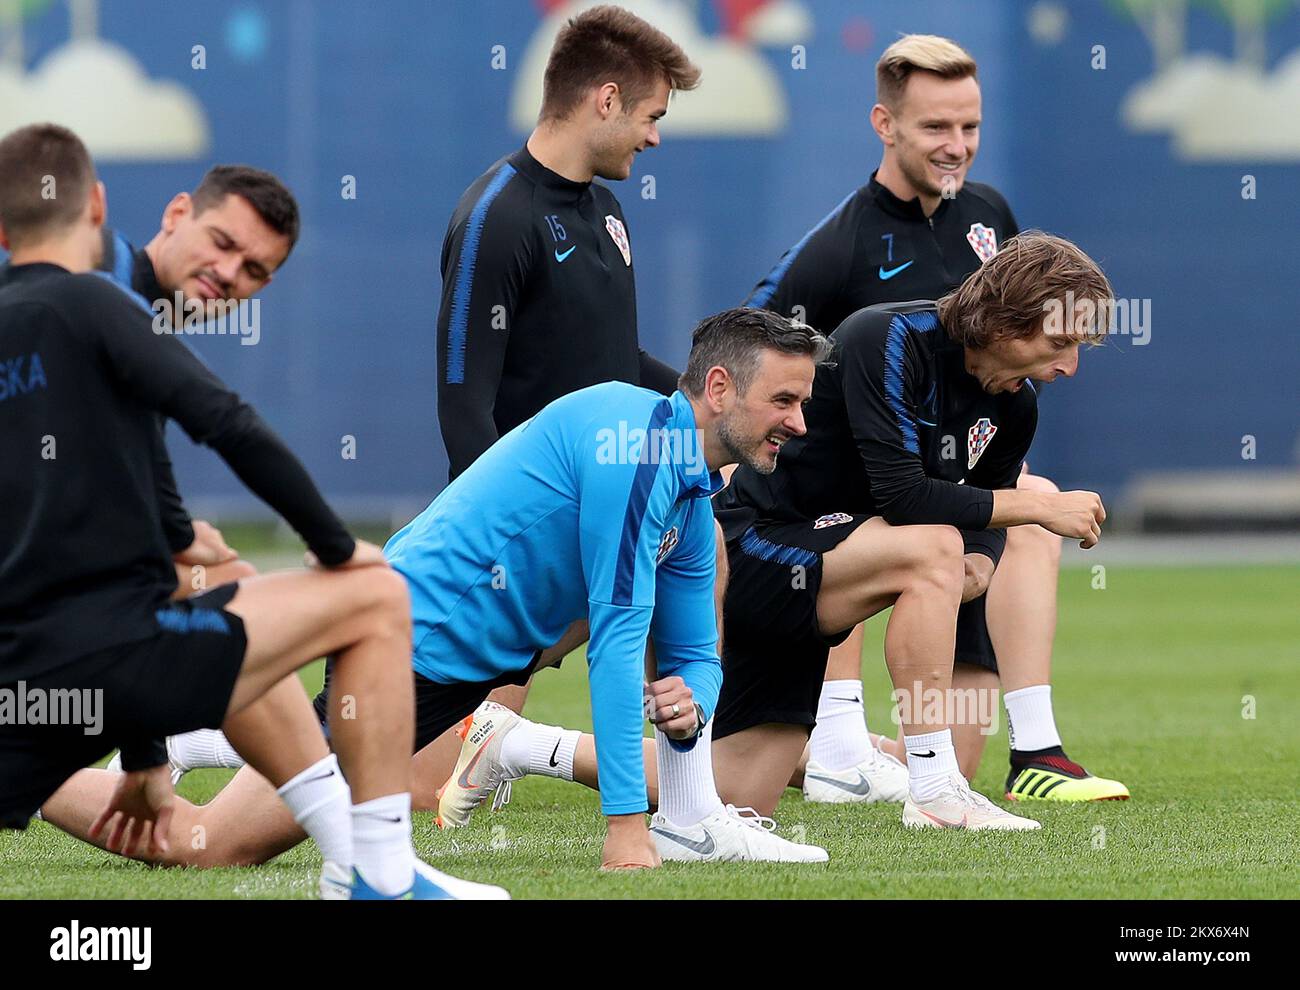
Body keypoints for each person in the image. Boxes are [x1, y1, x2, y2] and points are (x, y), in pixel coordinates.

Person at [35, 307, 834, 872]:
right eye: (785, 400)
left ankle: (691, 817)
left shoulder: (685, 489)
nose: (800, 423)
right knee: (210, 846)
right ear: (721, 388)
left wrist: (692, 700)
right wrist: (626, 832)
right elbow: (619, 645)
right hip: (405, 648)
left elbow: (691, 647)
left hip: (451, 659)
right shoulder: (636, 448)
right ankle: (30, 769)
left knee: (269, 769)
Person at [445, 232, 1111, 840]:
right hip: (753, 544)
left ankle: (513, 745)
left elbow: (974, 512)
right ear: (1006, 321)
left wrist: (985, 564)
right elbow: (902, 495)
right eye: (1059, 344)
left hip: (813, 576)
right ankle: (935, 790)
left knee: (730, 792)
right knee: (932, 546)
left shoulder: (1016, 403)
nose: (1071, 367)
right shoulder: (890, 337)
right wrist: (1031, 509)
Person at [0, 122, 505, 900]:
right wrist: (338, 548)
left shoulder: (49, 310)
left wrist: (172, 541)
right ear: (128, 210)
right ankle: (372, 869)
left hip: (42, 664)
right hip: (87, 653)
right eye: (222, 243)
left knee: (217, 578)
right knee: (366, 592)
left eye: (256, 270)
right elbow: (228, 425)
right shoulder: (102, 301)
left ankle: (354, 857)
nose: (231, 276)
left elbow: (117, 512)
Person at [745, 33, 1127, 803]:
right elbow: (752, 351)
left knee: (1011, 526)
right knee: (901, 510)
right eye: (934, 128)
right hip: (843, 491)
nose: (957, 148)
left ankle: (1033, 748)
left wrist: (998, 505)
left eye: (971, 128)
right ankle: (841, 738)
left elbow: (1020, 349)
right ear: (883, 125)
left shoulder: (990, 215)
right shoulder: (839, 247)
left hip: (947, 470)